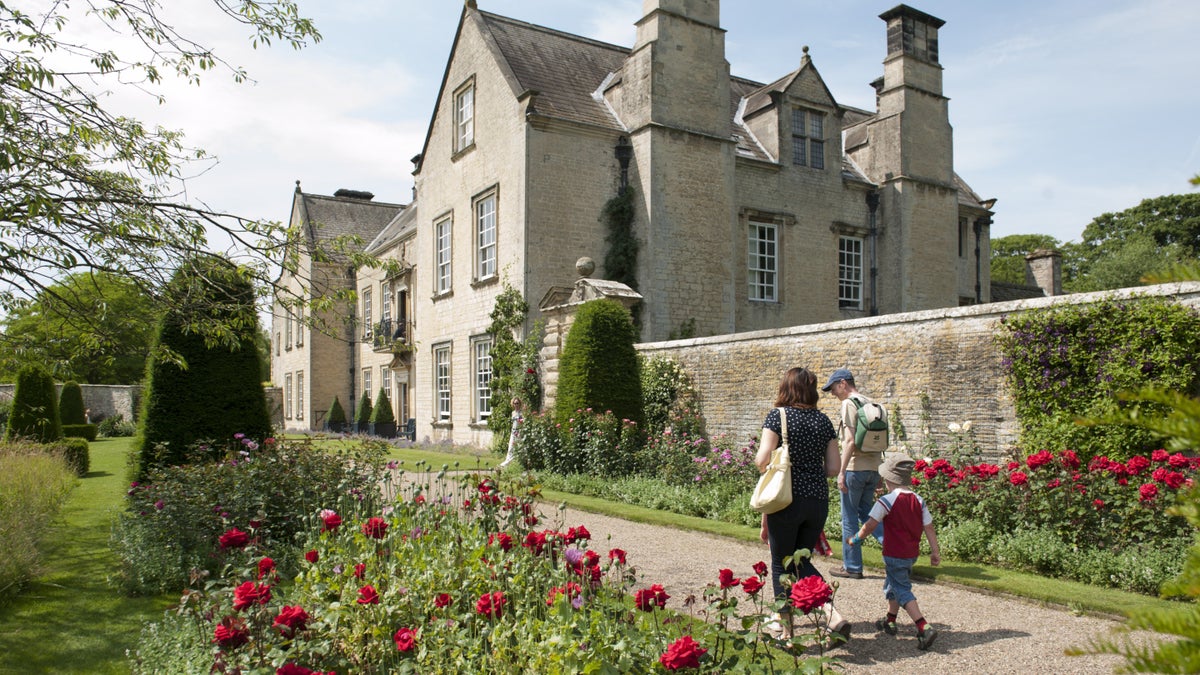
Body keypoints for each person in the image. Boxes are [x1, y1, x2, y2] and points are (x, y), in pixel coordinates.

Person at [756, 367, 851, 644]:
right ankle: (831, 613)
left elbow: (762, 460)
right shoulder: (823, 421)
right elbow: (833, 468)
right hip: (817, 500)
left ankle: (785, 631)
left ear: (786, 388)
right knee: (802, 560)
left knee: (780, 563)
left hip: (786, 499)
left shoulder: (778, 416)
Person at [845, 454, 941, 650]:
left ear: (888, 479)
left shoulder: (886, 501)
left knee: (902, 589)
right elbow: (929, 527)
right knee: (894, 583)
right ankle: (890, 619)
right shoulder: (918, 500)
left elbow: (870, 525)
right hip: (910, 554)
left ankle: (923, 626)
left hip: (894, 553)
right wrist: (934, 552)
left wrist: (855, 539)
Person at [822, 368, 884, 580]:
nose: (832, 393)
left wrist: (841, 472)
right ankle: (897, 551)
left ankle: (852, 566)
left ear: (842, 383)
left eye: (832, 388)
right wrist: (880, 471)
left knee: (849, 518)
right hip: (873, 467)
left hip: (855, 469)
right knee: (868, 513)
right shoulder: (871, 403)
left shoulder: (849, 403)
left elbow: (849, 441)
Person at [498, 397, 523, 468]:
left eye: (517, 403)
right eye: (515, 403)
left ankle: (515, 463)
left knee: (519, 448)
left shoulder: (521, 412)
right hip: (513, 431)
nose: (516, 405)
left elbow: (523, 422)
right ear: (513, 404)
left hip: (519, 432)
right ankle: (507, 462)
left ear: (520, 404)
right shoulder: (513, 413)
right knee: (510, 447)